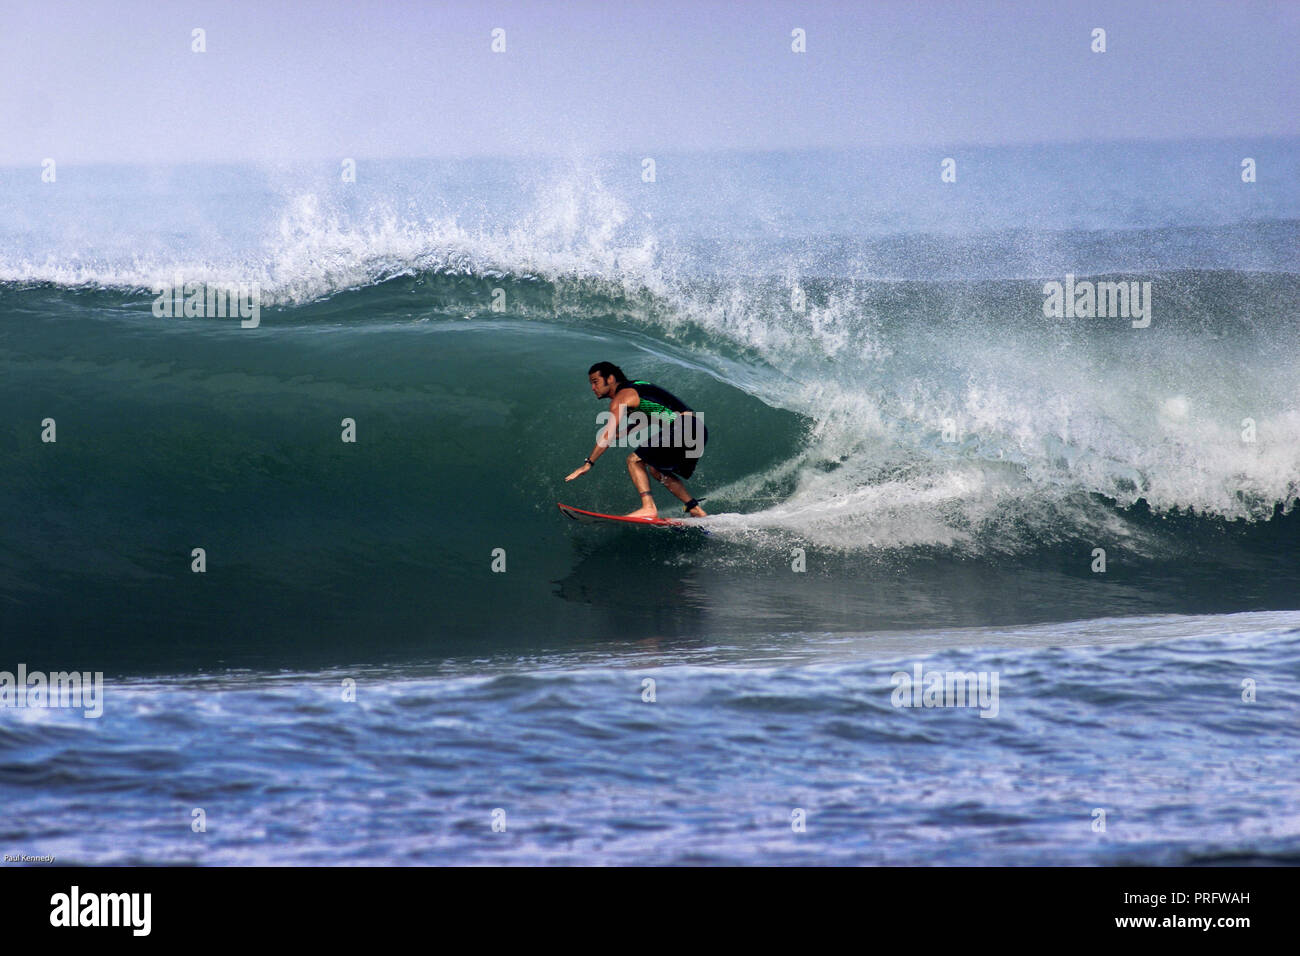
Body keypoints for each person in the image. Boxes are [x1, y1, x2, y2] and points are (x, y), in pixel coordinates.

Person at [565, 362, 709, 517]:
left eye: (595, 382)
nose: (593, 388)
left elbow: (608, 433)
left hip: (684, 426)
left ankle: (648, 508)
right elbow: (651, 415)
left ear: (611, 379)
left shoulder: (621, 397)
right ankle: (695, 509)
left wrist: (588, 463)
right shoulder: (637, 387)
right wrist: (622, 433)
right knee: (655, 468)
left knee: (634, 460)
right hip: (697, 429)